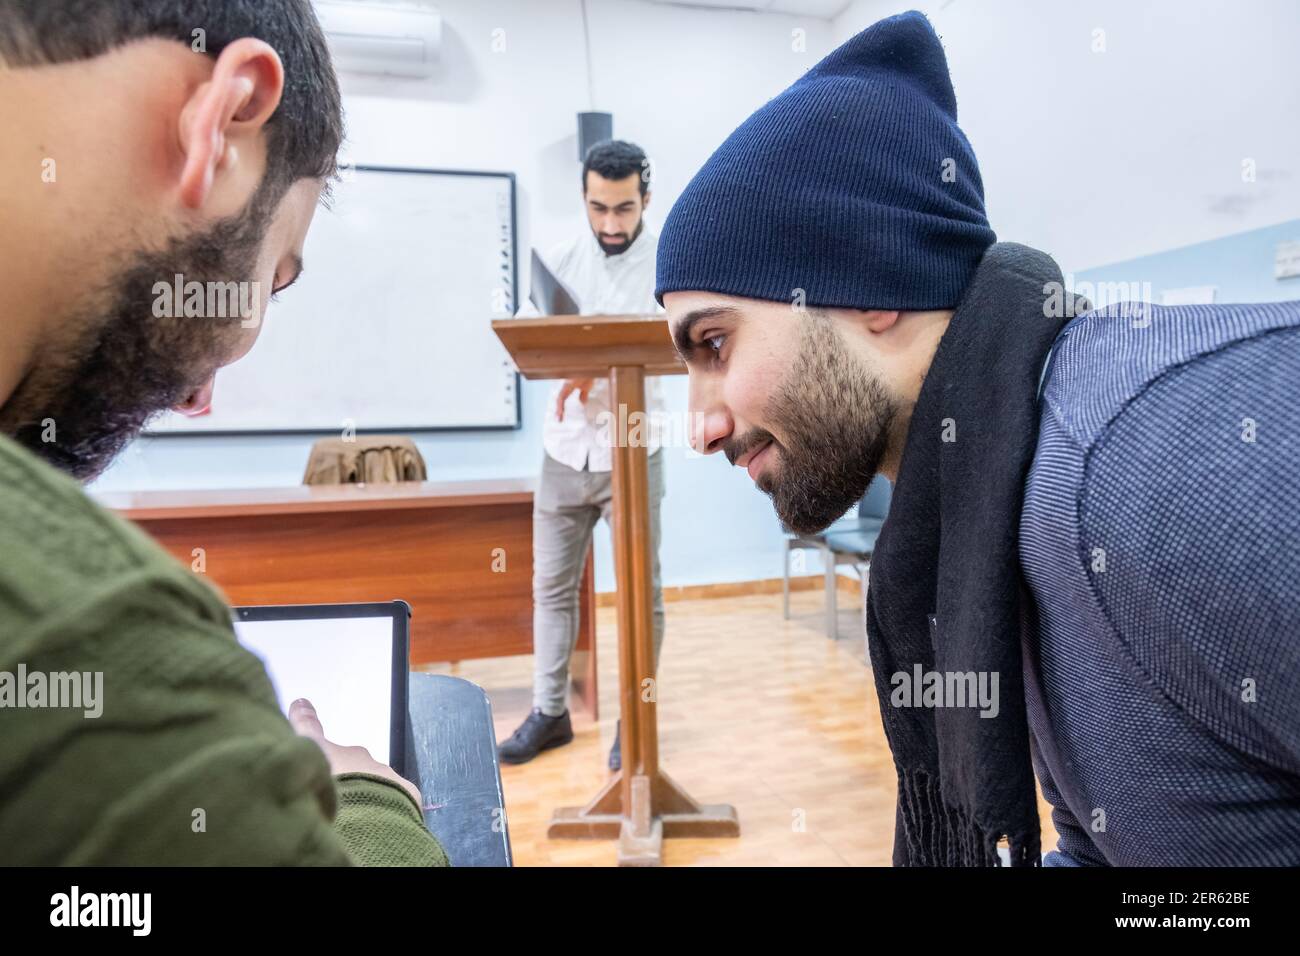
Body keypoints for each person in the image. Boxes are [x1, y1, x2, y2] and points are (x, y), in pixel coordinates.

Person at [654, 11, 1300, 866]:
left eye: (714, 344)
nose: (700, 428)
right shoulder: (1000, 503)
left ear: (869, 282)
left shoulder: (1157, 465)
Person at [0, 0, 448, 865]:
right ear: (226, 118)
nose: (200, 394)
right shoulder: (103, 655)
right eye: (270, 280)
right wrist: (363, 808)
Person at [497, 141, 667, 770]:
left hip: (634, 447)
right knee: (551, 588)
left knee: (640, 595)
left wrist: (591, 365)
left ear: (645, 198)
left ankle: (636, 722)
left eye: (624, 208)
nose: (611, 224)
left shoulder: (668, 265)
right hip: (564, 452)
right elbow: (522, 336)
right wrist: (563, 357)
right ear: (585, 199)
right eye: (599, 208)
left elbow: (686, 342)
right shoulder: (560, 259)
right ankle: (550, 713)